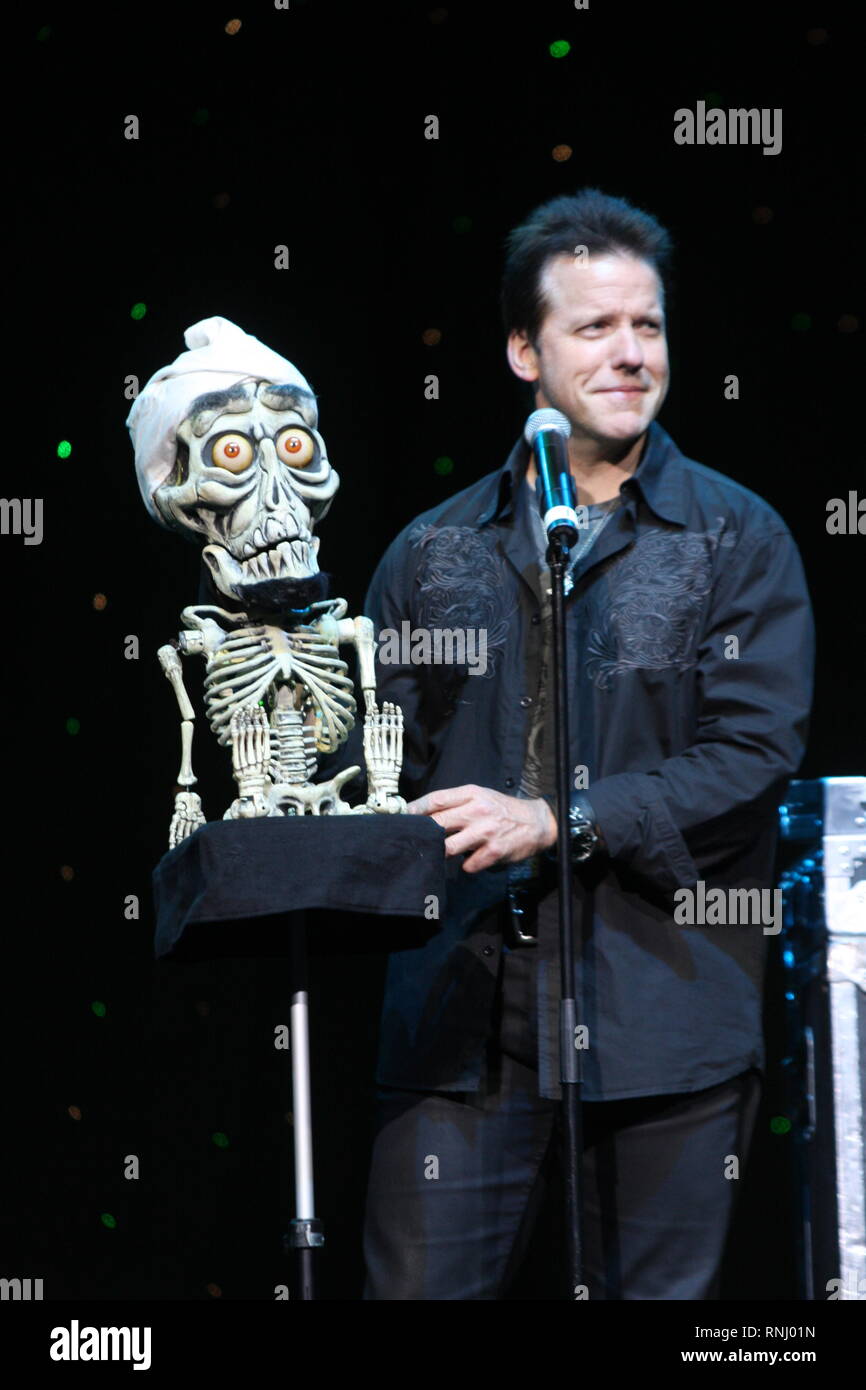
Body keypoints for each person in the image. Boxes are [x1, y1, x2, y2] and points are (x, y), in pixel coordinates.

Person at [333, 188, 815, 1299]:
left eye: (645, 325)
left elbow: (749, 754)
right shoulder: (431, 548)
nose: (629, 352)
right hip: (459, 1031)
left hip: (664, 1021)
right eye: (592, 327)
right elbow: (374, 757)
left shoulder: (734, 537)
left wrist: (560, 820)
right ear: (521, 351)